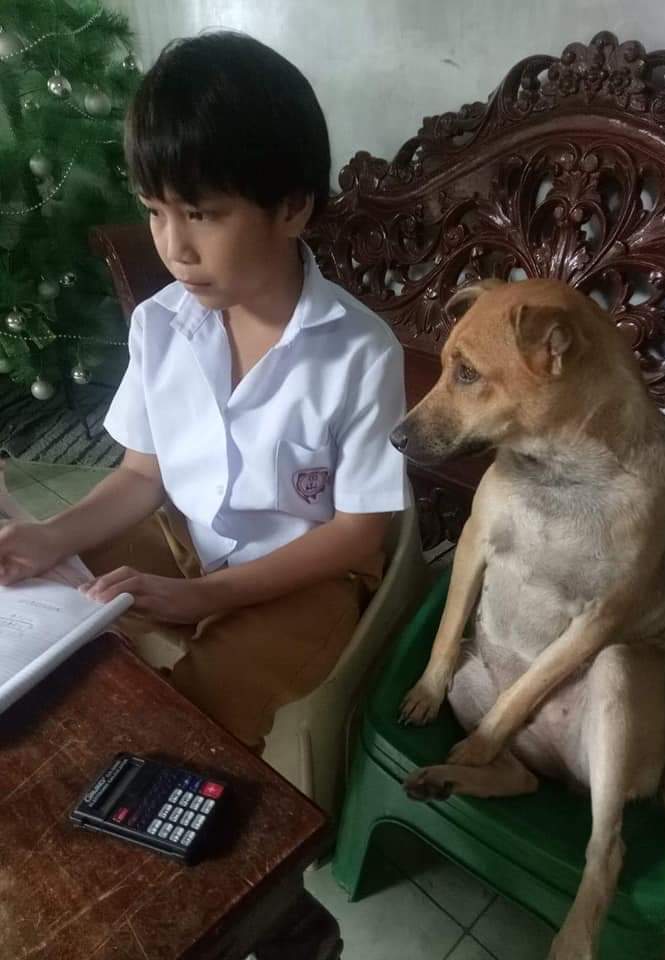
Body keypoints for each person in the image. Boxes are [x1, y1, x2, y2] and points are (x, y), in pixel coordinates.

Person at [0, 32, 409, 750]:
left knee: (198, 703)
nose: (173, 247)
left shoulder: (359, 351)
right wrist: (50, 536)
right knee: (49, 603)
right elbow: (140, 474)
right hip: (184, 535)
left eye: (203, 214)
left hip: (308, 577)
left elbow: (355, 534)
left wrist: (205, 599)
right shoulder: (161, 324)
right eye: (156, 211)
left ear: (291, 209)